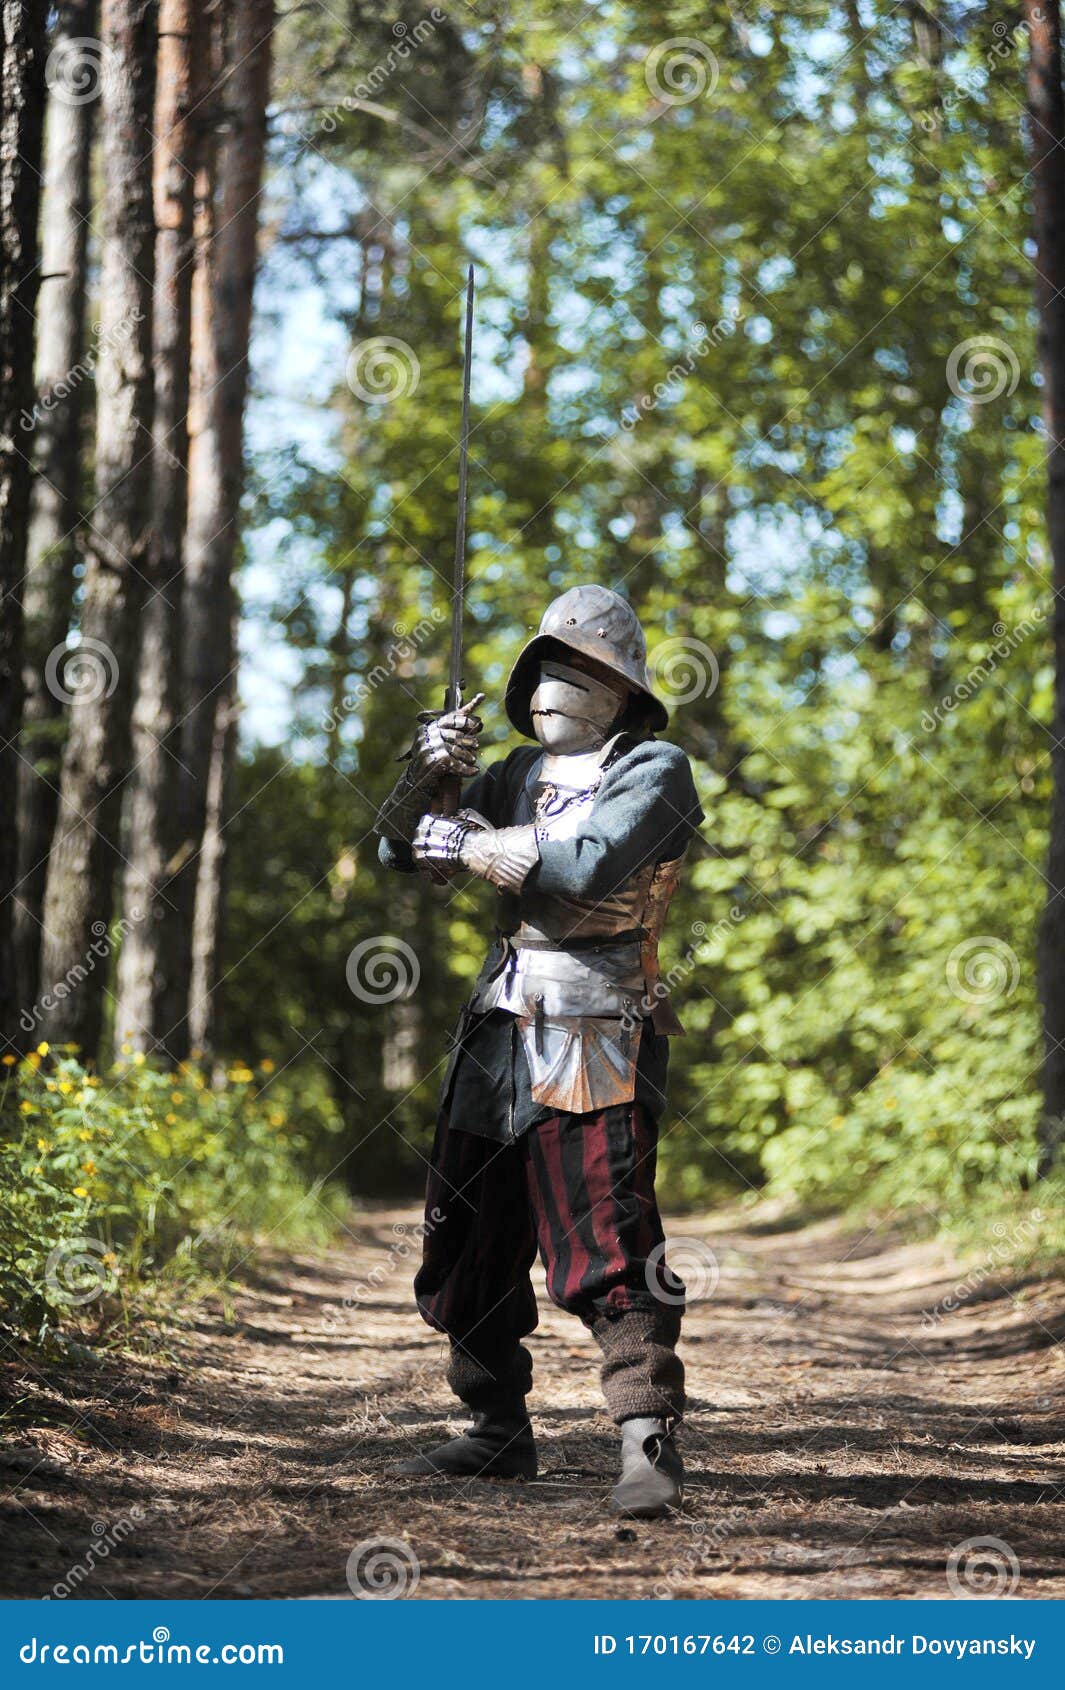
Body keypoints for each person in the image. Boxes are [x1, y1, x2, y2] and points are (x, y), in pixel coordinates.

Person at [375, 584, 704, 1518]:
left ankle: (645, 1438)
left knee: (610, 1238)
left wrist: (469, 843)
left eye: (582, 671)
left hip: (600, 1021)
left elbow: (589, 865)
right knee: (467, 1229)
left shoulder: (655, 768)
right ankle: (493, 1430)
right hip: (498, 1024)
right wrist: (426, 773)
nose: (558, 684)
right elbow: (398, 850)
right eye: (546, 669)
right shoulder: (513, 774)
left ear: (621, 693)